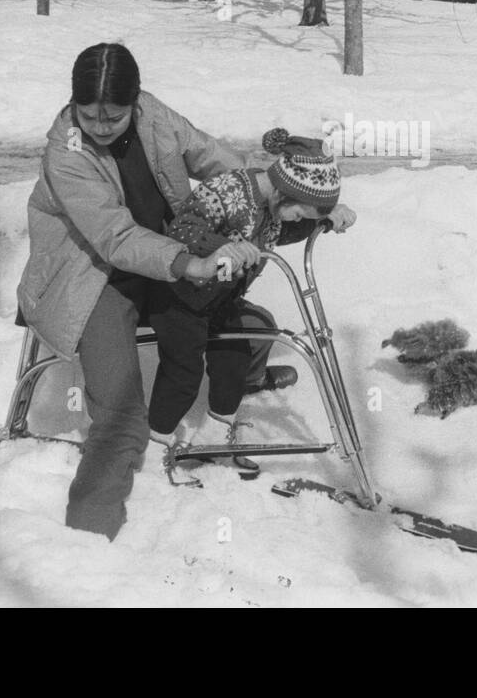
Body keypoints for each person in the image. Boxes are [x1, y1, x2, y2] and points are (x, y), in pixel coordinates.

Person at [16, 44, 297, 540]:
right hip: (94, 275)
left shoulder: (154, 117)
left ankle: (237, 386)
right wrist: (191, 263)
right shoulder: (66, 152)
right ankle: (88, 536)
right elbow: (116, 238)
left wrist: (286, 195)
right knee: (122, 416)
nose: (102, 126)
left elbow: (222, 166)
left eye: (115, 115)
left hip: (167, 258)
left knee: (252, 327)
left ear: (136, 100)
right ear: (73, 104)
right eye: (90, 115)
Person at [149, 128, 357, 481]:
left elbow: (283, 230)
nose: (297, 222)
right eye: (299, 214)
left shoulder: (276, 205)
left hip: (220, 297)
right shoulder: (227, 191)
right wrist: (219, 247)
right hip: (179, 296)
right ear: (284, 192)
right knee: (183, 372)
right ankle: (155, 447)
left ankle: (216, 436)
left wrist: (325, 217)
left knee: (235, 356)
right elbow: (181, 231)